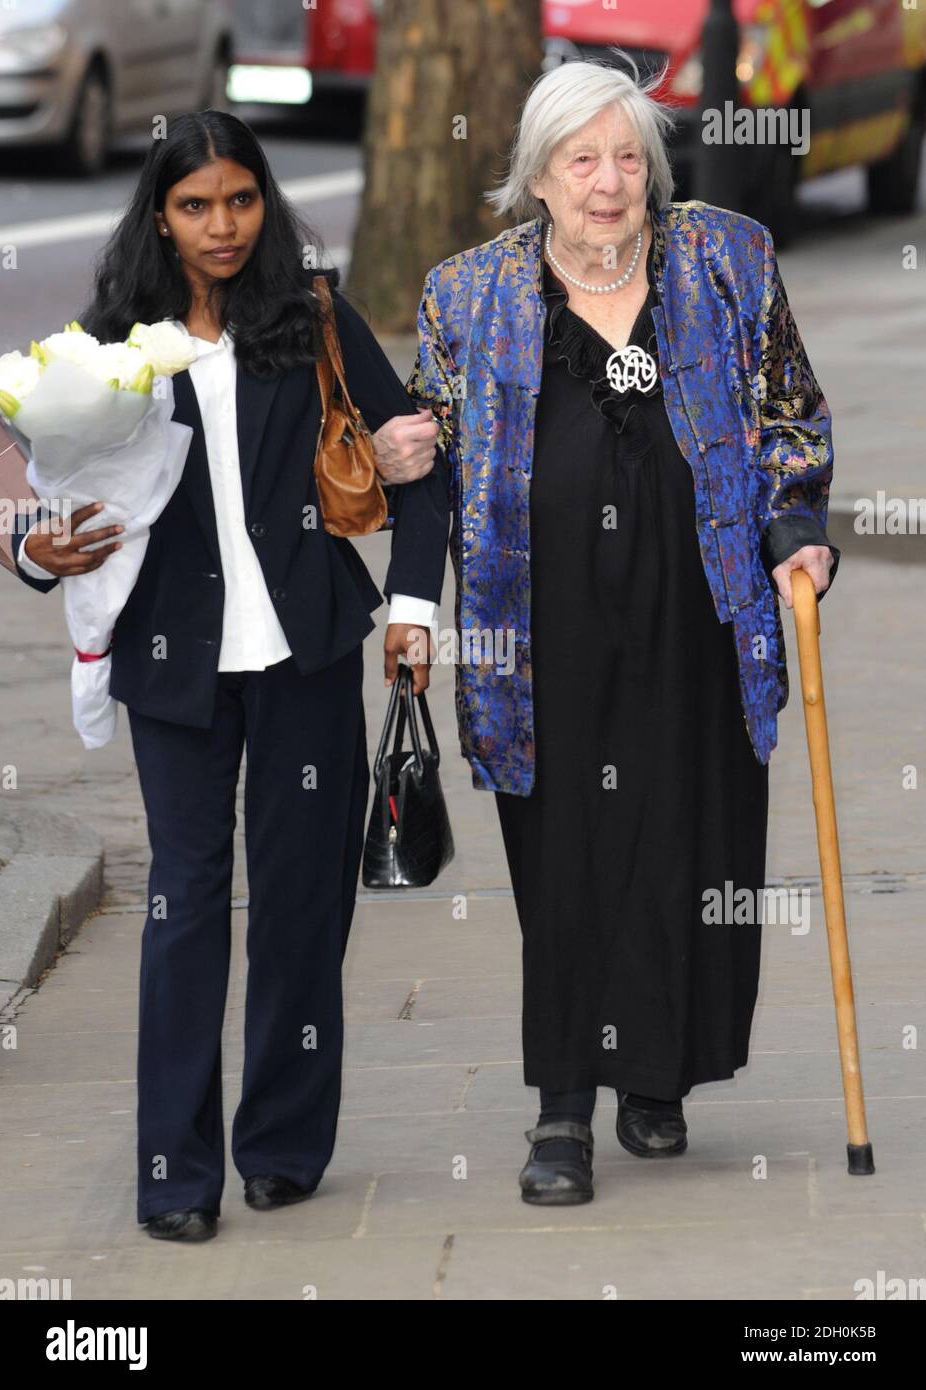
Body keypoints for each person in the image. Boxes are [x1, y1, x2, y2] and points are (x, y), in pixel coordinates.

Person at [405, 53, 840, 1204]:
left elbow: (790, 416)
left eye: (625, 155)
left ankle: (656, 1073)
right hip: (536, 624)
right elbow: (431, 455)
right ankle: (562, 1108)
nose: (608, 182)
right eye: (578, 159)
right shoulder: (467, 297)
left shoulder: (727, 260)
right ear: (535, 179)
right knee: (564, 856)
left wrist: (799, 530)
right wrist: (404, 466)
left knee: (688, 836)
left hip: (701, 607)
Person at [13, 109, 449, 1240]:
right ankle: (174, 1171)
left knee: (303, 907)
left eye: (242, 200)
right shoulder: (106, 337)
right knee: (184, 907)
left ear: (267, 203)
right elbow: (32, 470)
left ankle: (284, 1145)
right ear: (159, 213)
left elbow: (416, 461)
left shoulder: (308, 316)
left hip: (308, 654)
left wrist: (410, 607)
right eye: (197, 205)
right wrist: (28, 547)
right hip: (175, 672)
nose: (223, 226)